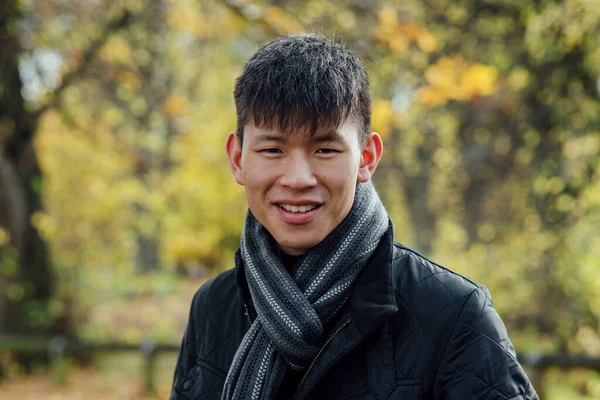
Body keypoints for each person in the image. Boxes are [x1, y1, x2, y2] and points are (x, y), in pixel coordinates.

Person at [170, 33, 538, 400]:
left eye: (325, 149)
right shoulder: (213, 308)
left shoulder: (453, 314)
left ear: (366, 157)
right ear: (237, 160)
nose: (298, 179)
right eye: (272, 149)